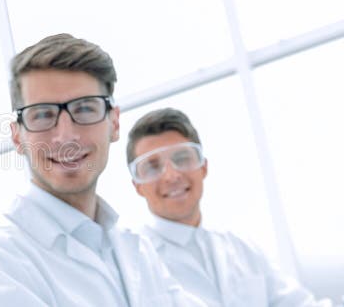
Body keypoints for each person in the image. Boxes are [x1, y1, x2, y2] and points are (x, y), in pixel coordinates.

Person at [0, 34, 204, 306]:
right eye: (42, 114)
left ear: (114, 122)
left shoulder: (137, 250)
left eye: (85, 109)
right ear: (17, 136)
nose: (66, 136)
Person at [127, 107, 332, 307]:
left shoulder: (242, 249)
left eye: (182, 158)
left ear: (204, 167)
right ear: (138, 186)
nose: (171, 175)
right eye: (152, 167)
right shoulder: (133, 264)